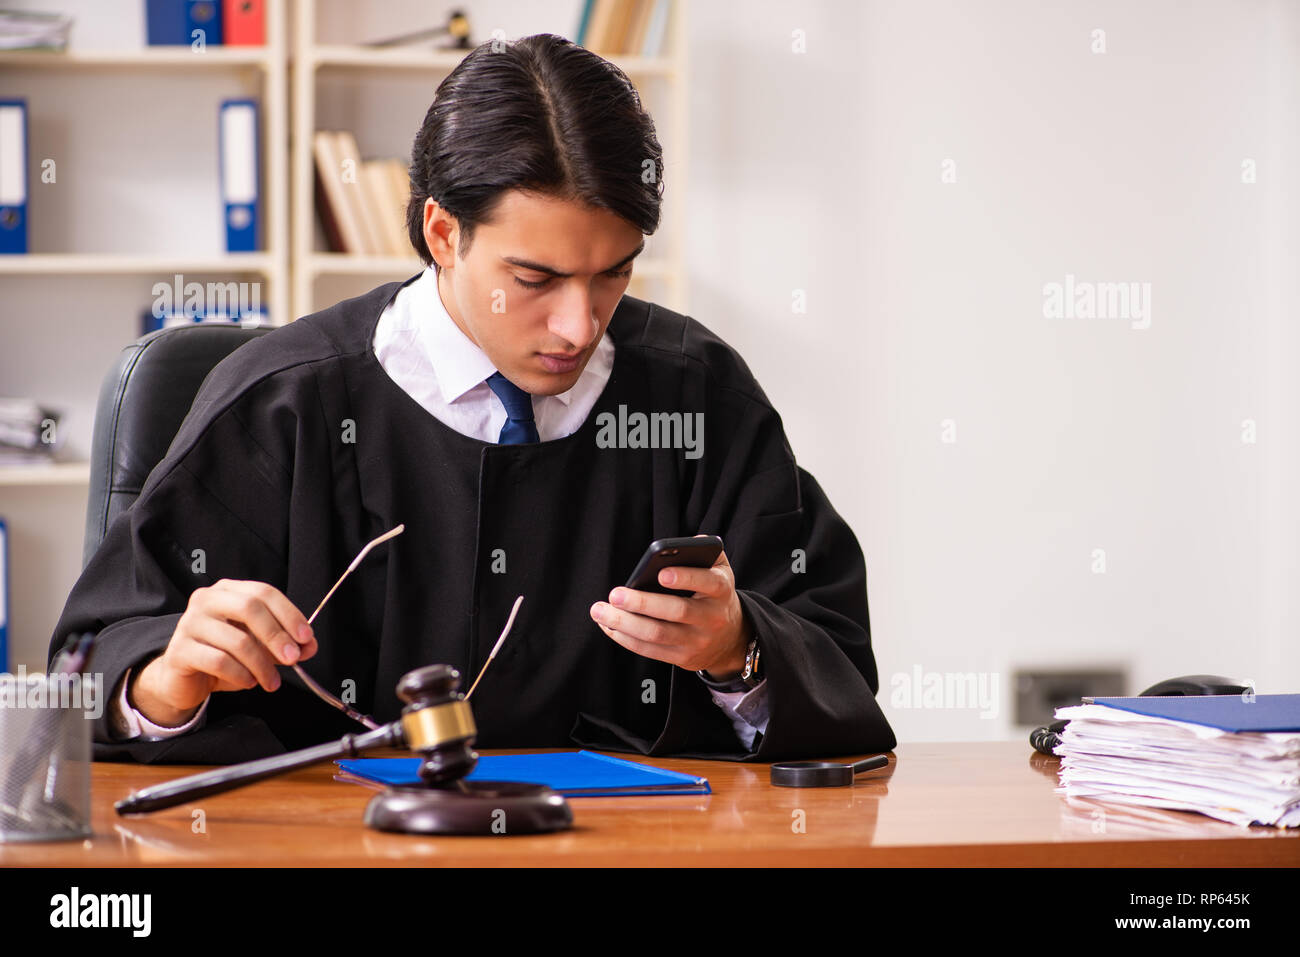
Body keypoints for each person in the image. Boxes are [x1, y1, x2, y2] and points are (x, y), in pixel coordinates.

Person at [49, 33, 896, 765]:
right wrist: (163, 682)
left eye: (614, 273)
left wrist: (739, 652)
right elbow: (79, 677)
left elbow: (841, 672)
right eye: (536, 278)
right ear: (442, 232)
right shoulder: (284, 404)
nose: (579, 324)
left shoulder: (697, 396)